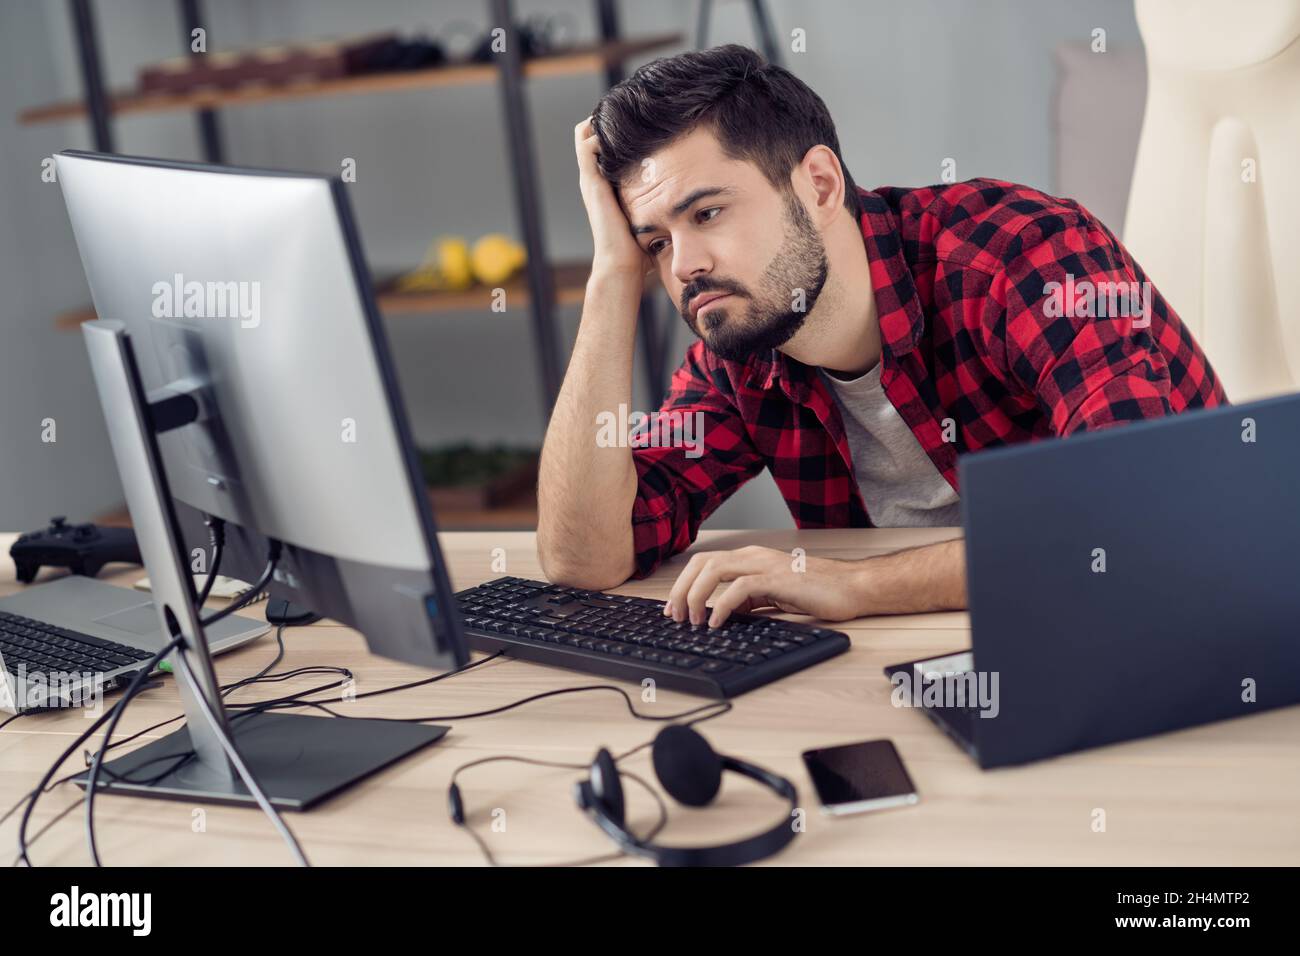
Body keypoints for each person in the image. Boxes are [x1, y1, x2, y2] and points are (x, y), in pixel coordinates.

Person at [537, 45, 1225, 628]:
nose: (683, 266)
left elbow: (1139, 513)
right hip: (939, 650)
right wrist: (612, 277)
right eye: (656, 242)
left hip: (1176, 623)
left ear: (820, 184)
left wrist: (858, 586)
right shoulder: (742, 349)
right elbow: (586, 558)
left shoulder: (1022, 255)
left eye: (708, 212)